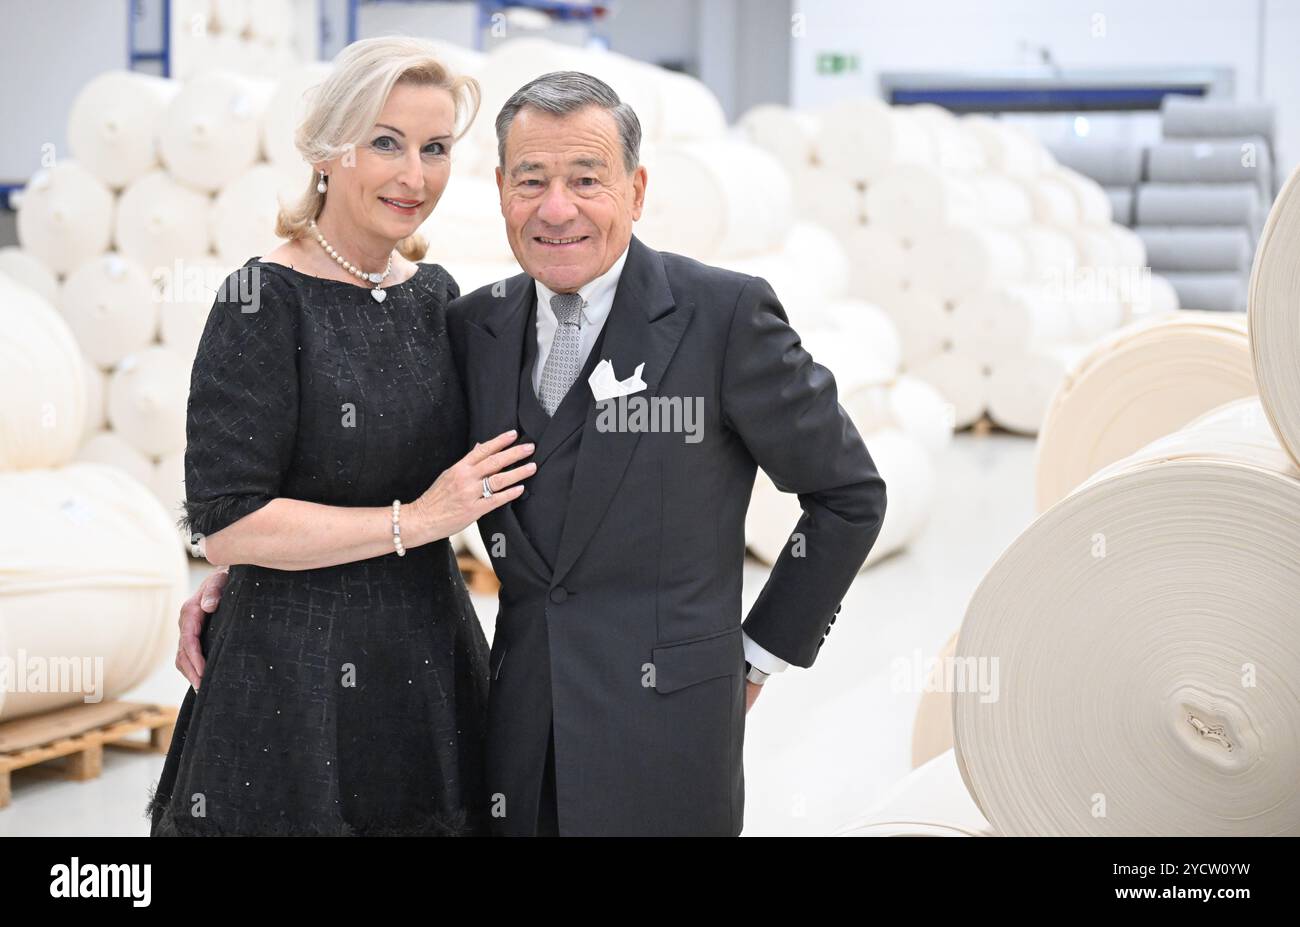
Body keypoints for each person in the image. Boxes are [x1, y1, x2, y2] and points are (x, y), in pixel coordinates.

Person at [184, 70, 887, 837]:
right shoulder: (473, 323)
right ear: (500, 192)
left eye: (587, 178)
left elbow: (848, 493)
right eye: (532, 180)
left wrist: (755, 656)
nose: (558, 209)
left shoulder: (725, 316)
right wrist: (244, 565)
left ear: (637, 188)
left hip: (667, 735)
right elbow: (381, 456)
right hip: (510, 735)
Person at [147, 36, 534, 836]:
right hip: (292, 672)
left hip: (425, 664)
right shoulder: (263, 300)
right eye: (385, 142)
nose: (414, 175)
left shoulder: (436, 298)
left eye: (434, 149)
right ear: (329, 150)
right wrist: (415, 522)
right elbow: (228, 524)